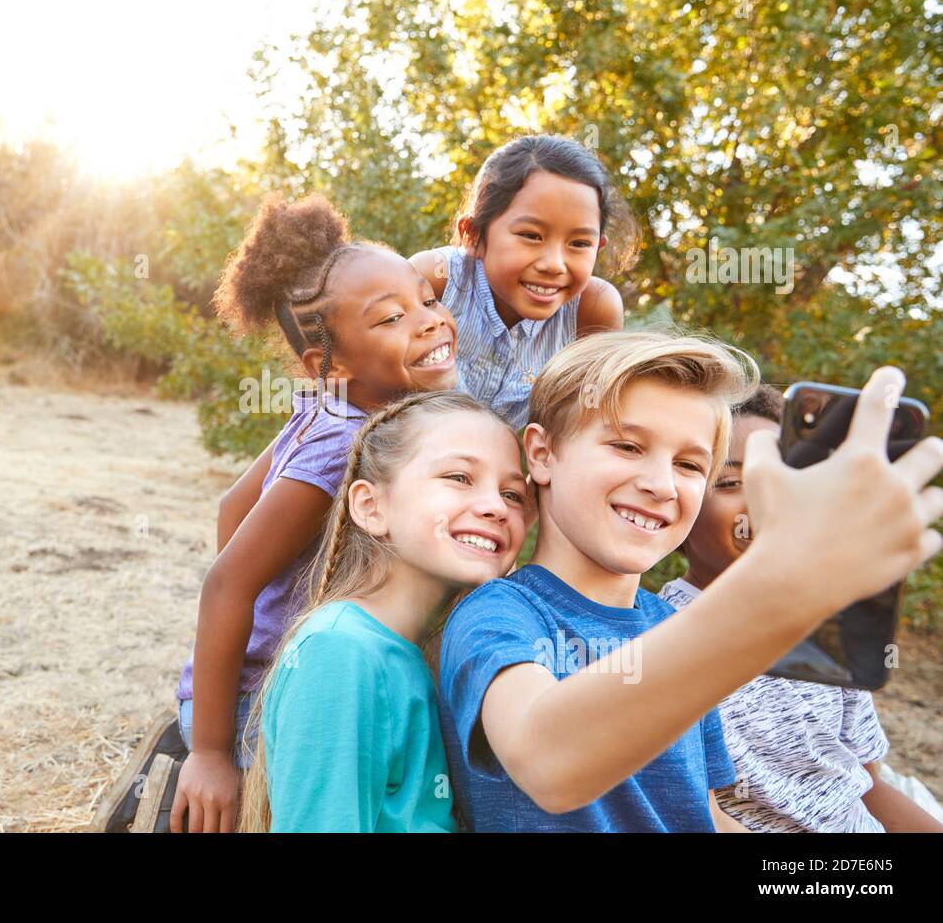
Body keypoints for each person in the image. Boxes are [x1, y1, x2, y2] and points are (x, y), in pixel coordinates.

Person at [438, 330, 943, 831]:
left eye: (688, 464)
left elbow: (710, 818)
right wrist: (777, 589)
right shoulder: (500, 612)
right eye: (627, 445)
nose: (660, 484)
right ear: (543, 454)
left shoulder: (669, 622)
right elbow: (545, 763)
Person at [171, 194, 459, 832]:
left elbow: (232, 508)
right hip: (249, 707)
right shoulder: (342, 446)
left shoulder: (332, 410)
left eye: (428, 301)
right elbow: (228, 580)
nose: (430, 322)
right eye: (390, 319)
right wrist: (212, 754)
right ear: (330, 365)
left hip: (276, 682)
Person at [239, 390, 530, 831]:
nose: (496, 506)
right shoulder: (340, 651)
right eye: (459, 477)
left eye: (513, 494)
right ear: (371, 507)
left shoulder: (423, 649)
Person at [659, 384, 943, 832]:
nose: (764, 502)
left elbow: (863, 784)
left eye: (788, 479)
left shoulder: (829, 617)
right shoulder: (659, 641)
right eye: (732, 482)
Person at [409, 134, 632, 427]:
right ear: (473, 235)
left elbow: (582, 424)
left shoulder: (592, 311)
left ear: (598, 247)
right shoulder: (435, 281)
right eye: (531, 236)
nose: (554, 264)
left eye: (578, 243)